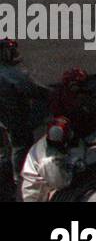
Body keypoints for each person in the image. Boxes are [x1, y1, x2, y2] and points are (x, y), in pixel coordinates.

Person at [0, 40, 48, 200]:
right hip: (13, 116)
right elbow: (32, 89)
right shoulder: (9, 73)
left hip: (5, 116)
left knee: (11, 145)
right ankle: (20, 180)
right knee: (21, 145)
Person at [20, 117, 81, 202]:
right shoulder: (48, 161)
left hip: (48, 178)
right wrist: (72, 168)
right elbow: (61, 184)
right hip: (38, 196)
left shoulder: (49, 140)